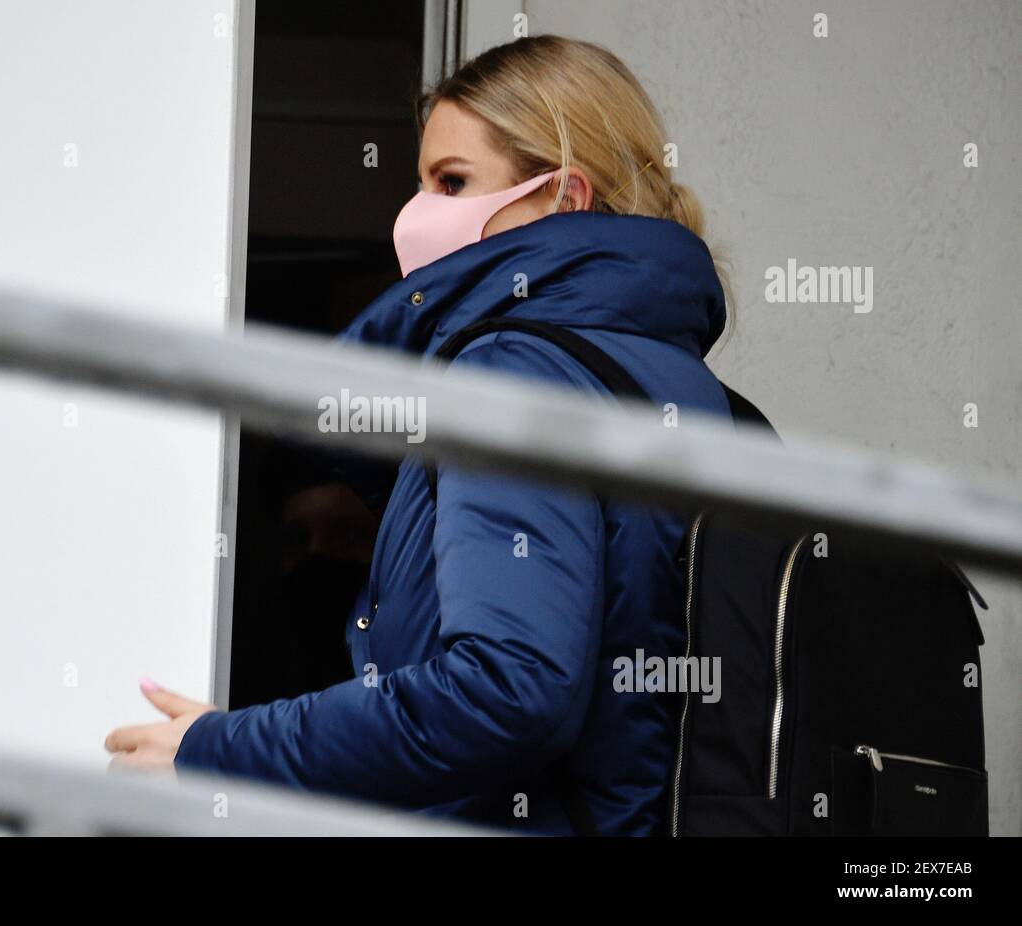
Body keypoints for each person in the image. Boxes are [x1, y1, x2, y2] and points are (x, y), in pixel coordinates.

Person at [104, 35, 734, 835]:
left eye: (453, 182)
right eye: (420, 182)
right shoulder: (701, 398)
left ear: (565, 198)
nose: (416, 214)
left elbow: (505, 693)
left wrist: (224, 751)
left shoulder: (514, 372)